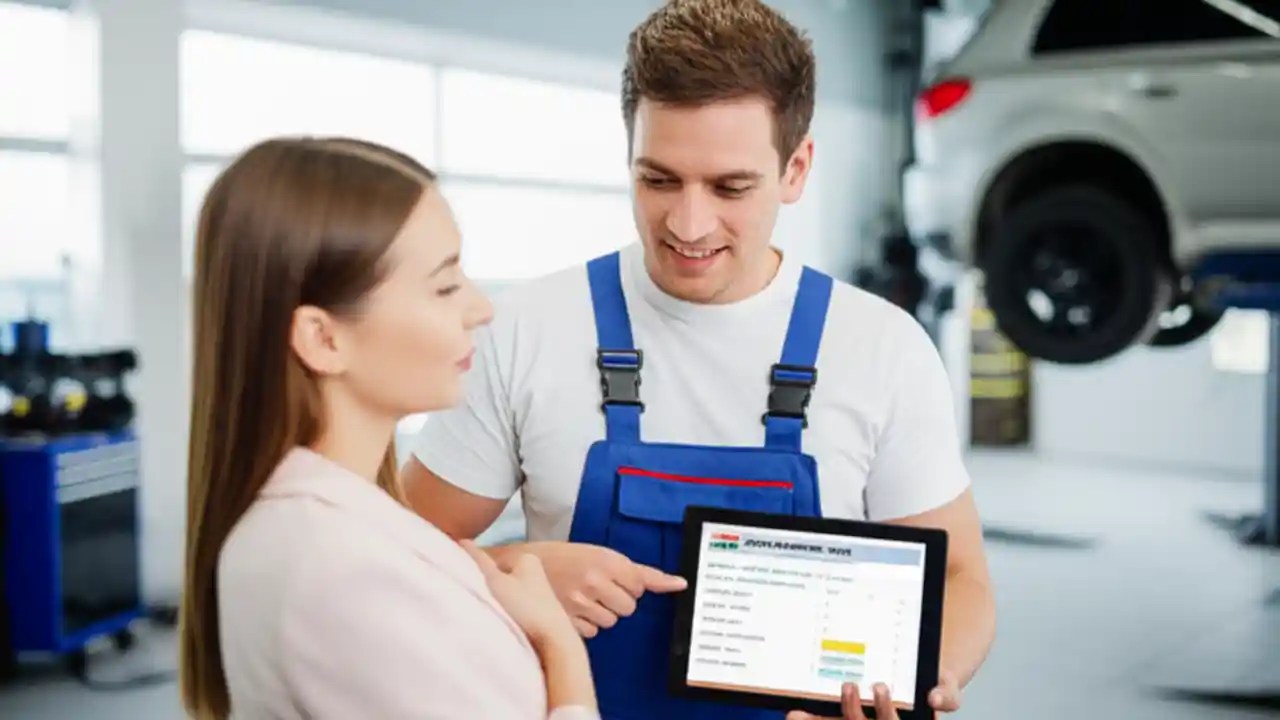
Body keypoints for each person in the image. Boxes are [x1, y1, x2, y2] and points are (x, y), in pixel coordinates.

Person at [404, 1, 996, 719]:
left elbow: (961, 580)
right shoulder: (527, 329)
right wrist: (509, 571)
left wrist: (909, 688)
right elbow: (392, 551)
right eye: (658, 180)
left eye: (729, 187)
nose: (688, 224)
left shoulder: (882, 348)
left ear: (796, 169)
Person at [177, 137, 601, 720]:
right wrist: (558, 644)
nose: (481, 309)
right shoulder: (342, 569)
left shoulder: (340, 532)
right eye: (445, 286)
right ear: (324, 339)